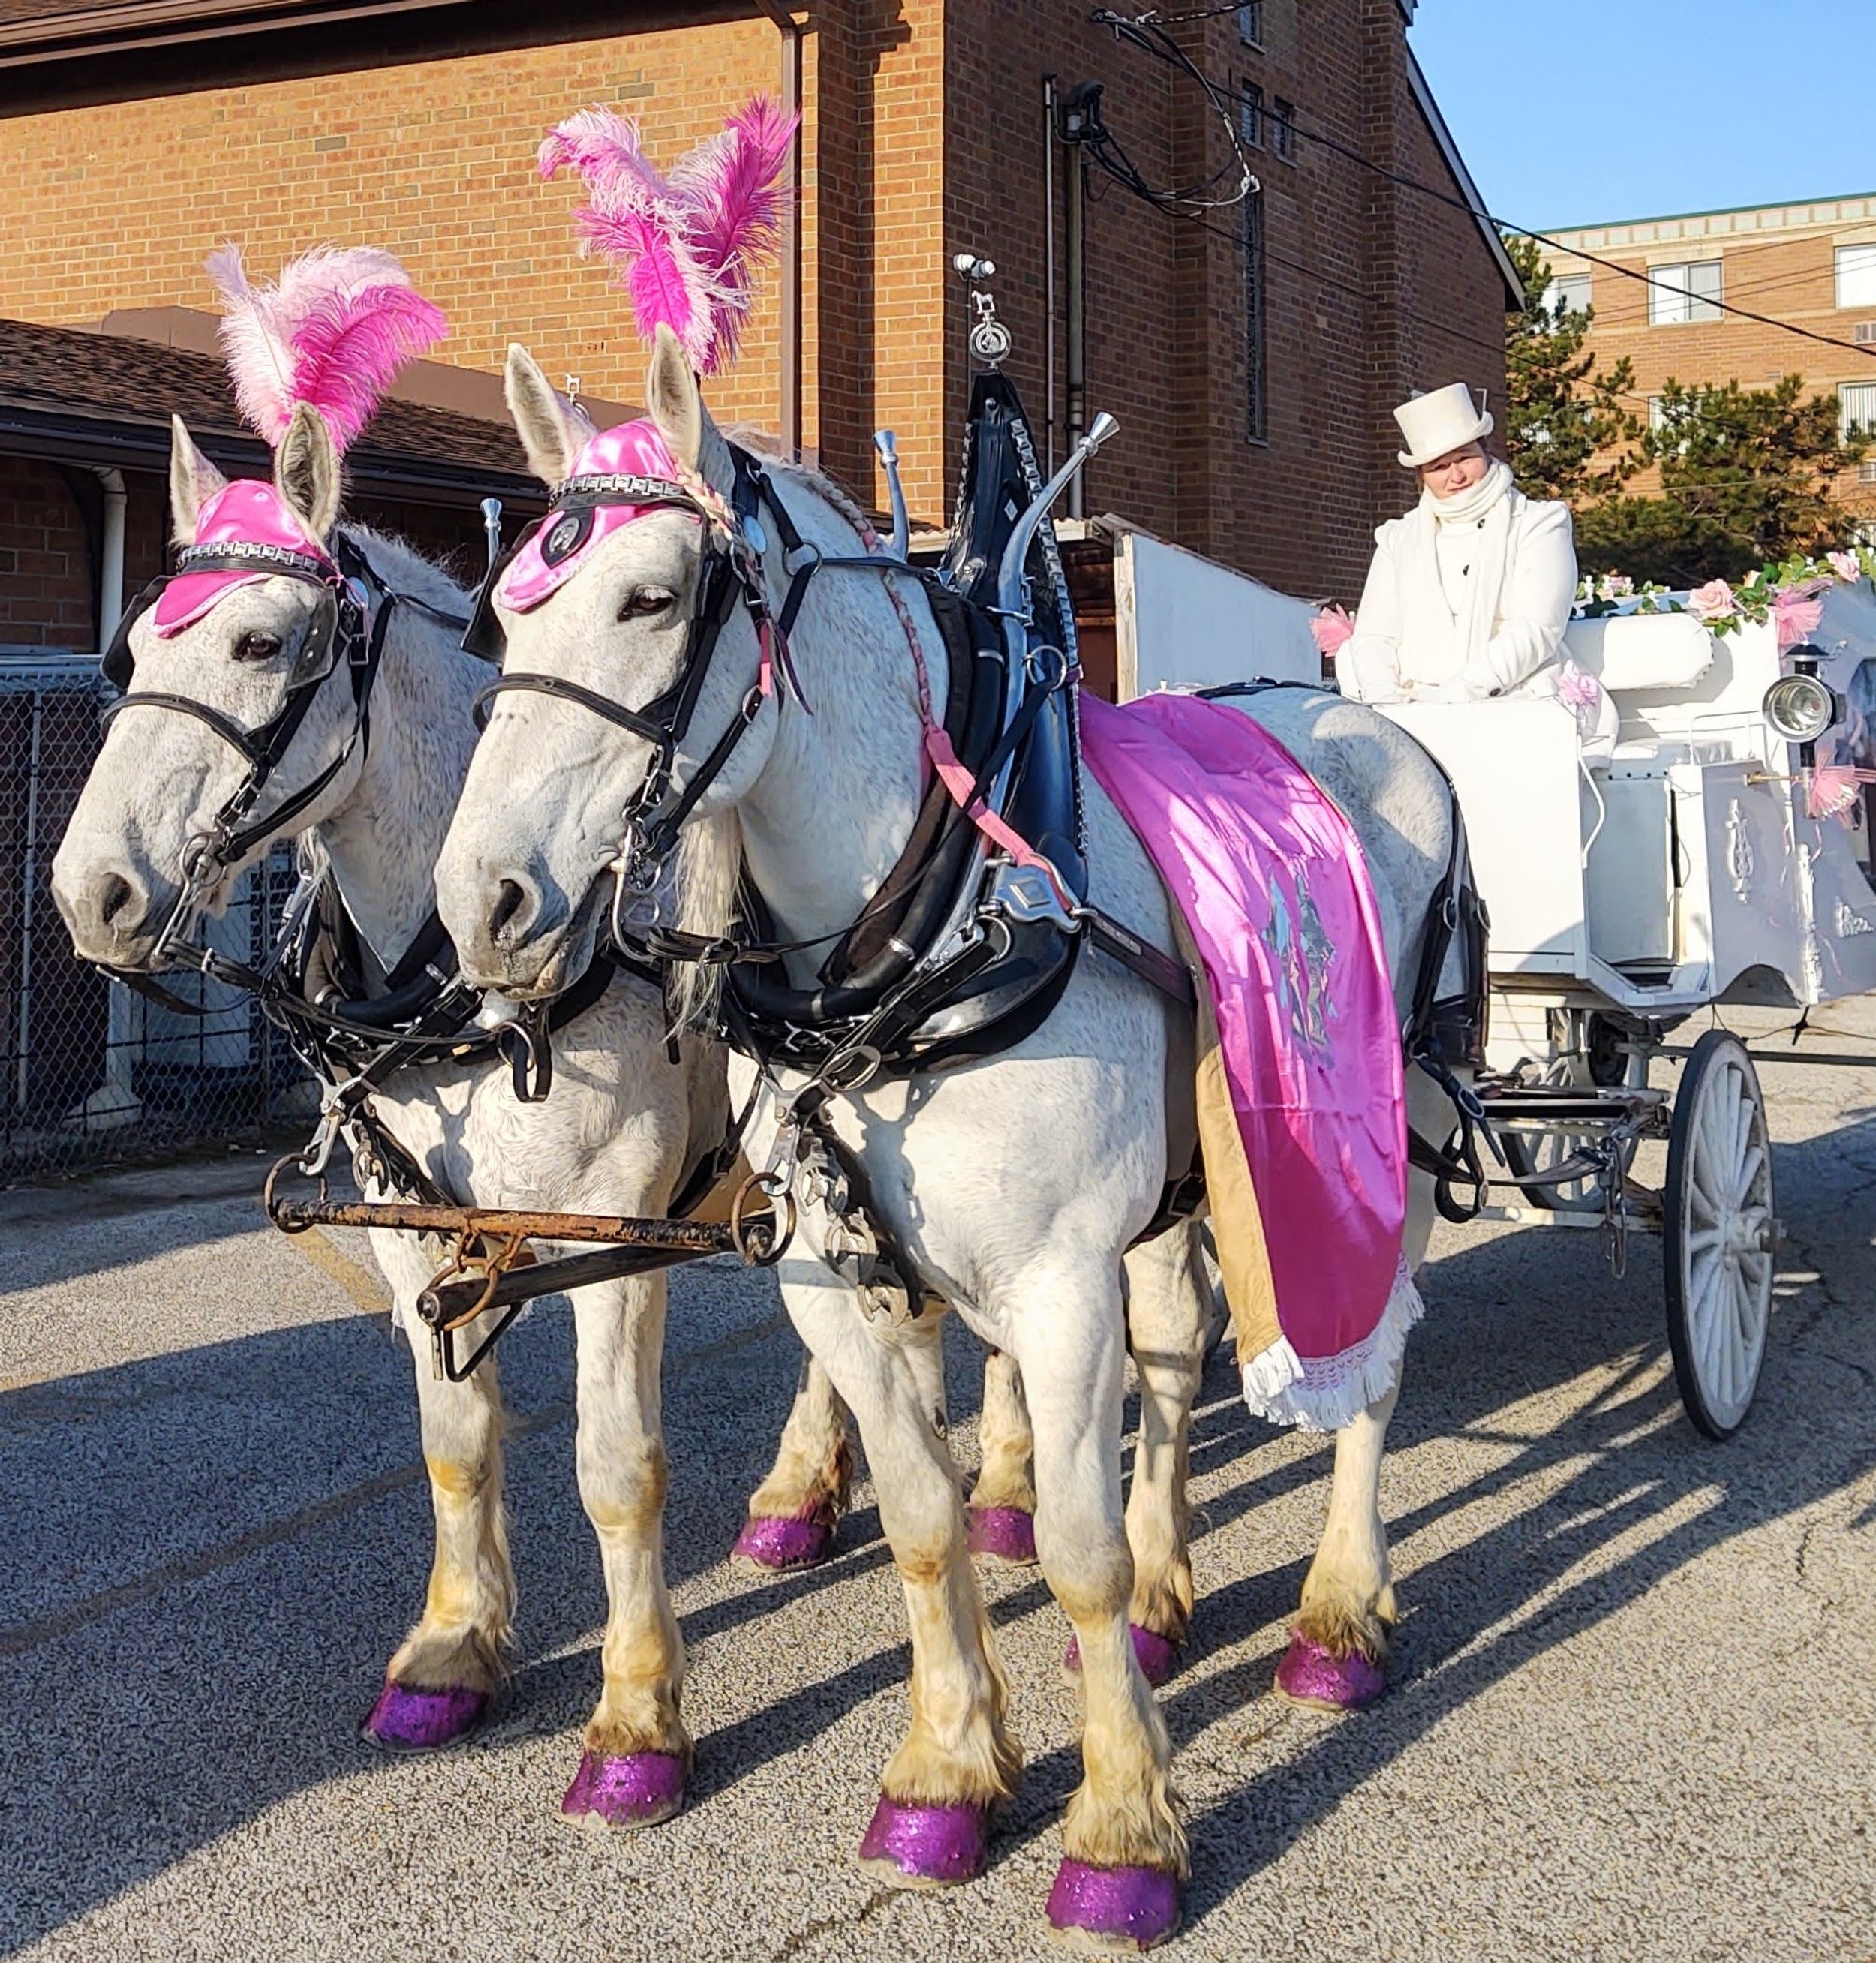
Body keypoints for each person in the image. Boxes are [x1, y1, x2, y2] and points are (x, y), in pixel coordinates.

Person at [1336, 383, 1579, 708]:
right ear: (1422, 476)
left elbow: (1537, 627)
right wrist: (1386, 699)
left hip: (1516, 697)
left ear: (1486, 454)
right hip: (1412, 702)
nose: (1456, 476)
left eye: (1465, 458)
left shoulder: (1538, 522)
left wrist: (1459, 694)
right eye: (1438, 467)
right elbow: (1374, 636)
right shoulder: (1398, 538)